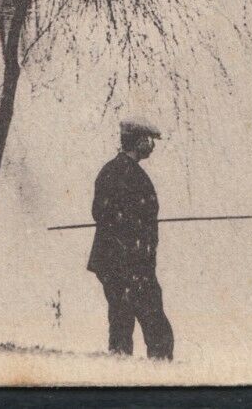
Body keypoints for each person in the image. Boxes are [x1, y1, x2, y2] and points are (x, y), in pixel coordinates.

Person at [87, 118, 174, 360]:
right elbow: (102, 213)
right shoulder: (129, 174)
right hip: (130, 262)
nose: (152, 147)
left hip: (115, 262)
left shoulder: (111, 170)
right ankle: (162, 375)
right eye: (149, 142)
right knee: (153, 322)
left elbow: (101, 212)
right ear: (139, 142)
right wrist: (129, 225)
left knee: (121, 318)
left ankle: (120, 368)